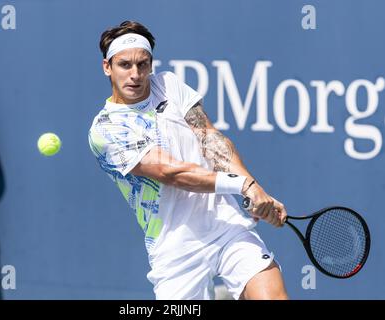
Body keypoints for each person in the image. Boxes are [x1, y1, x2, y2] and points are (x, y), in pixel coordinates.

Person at [88, 21, 288, 300]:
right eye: (125, 65)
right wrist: (242, 185)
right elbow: (173, 173)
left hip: (226, 225)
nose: (135, 74)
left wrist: (253, 186)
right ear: (107, 67)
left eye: (143, 65)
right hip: (177, 247)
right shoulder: (106, 129)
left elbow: (210, 138)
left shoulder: (168, 85)